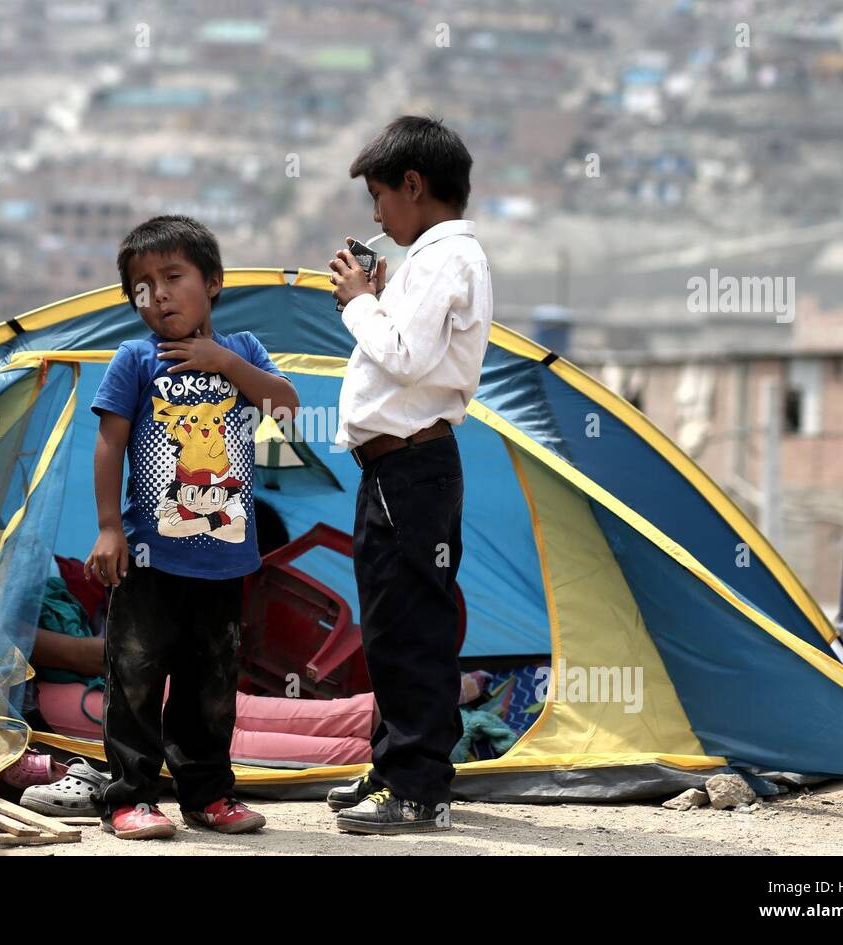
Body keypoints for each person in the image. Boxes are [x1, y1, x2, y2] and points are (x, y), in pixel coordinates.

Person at [83, 215, 300, 840]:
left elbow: (285, 406)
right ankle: (130, 796)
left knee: (212, 687)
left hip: (224, 559)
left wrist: (222, 361)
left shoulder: (246, 353)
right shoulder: (134, 360)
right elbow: (109, 444)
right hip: (149, 559)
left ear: (213, 284)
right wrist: (108, 528)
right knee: (135, 677)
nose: (158, 293)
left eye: (173, 276)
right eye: (142, 285)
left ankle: (208, 795)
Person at [326, 115, 494, 834]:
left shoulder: (445, 260)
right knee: (390, 625)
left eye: (379, 195)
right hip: (397, 469)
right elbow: (410, 345)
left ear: (414, 185)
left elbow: (403, 354)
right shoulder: (434, 263)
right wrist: (381, 297)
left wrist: (359, 299)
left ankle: (418, 787)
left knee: (412, 628)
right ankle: (394, 763)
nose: (375, 214)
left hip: (411, 468)